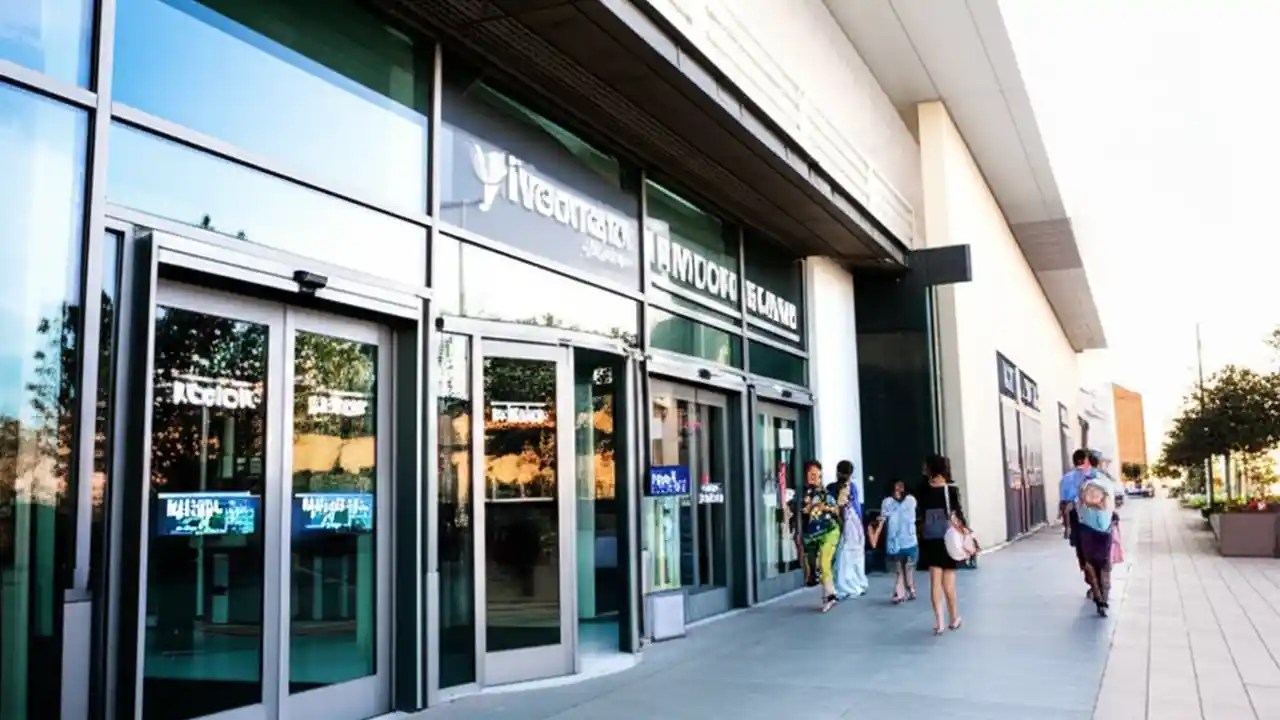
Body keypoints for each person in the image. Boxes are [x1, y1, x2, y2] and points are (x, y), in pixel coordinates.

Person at [918, 454, 969, 635]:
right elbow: (959, 515)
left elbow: (921, 513)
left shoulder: (923, 490)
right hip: (948, 539)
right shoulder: (951, 491)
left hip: (931, 538)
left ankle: (938, 622)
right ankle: (954, 618)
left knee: (935, 583)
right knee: (949, 584)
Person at [868, 478, 918, 604]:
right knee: (899, 568)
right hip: (895, 541)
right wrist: (875, 536)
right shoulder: (887, 502)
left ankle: (910, 587)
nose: (898, 490)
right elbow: (882, 520)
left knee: (909, 567)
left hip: (910, 539)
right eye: (896, 487)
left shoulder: (911, 500)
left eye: (901, 486)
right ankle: (899, 591)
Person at [801, 460, 841, 612]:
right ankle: (829, 594)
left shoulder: (825, 493)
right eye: (811, 475)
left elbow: (836, 510)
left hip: (830, 530)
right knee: (819, 566)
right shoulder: (805, 494)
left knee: (824, 563)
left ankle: (830, 596)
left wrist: (824, 507)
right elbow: (803, 511)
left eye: (817, 475)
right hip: (814, 534)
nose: (815, 478)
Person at [1077, 466, 1117, 616]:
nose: (1094, 494)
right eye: (1091, 492)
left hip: (1096, 534)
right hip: (1093, 533)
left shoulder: (1088, 492)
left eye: (1096, 493)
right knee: (1097, 567)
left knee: (1098, 568)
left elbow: (1105, 507)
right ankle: (1101, 600)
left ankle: (1102, 600)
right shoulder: (1101, 488)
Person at [829, 460, 868, 599]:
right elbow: (857, 507)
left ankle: (843, 585)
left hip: (841, 523)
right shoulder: (852, 488)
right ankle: (857, 583)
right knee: (855, 556)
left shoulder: (832, 488)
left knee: (842, 556)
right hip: (853, 524)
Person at [1059, 449, 1090, 541]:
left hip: (1072, 514)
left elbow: (1063, 502)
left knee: (1079, 544)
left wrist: (1066, 525)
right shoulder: (1091, 476)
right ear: (1083, 461)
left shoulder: (1066, 478)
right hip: (1088, 512)